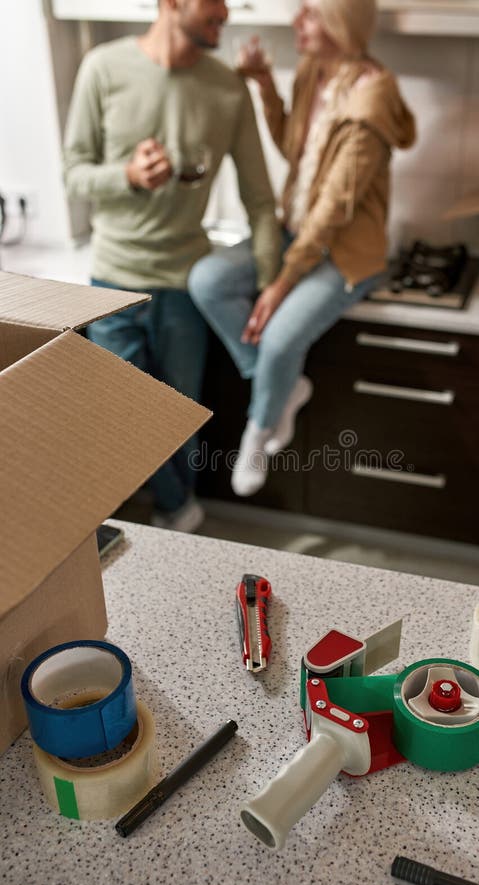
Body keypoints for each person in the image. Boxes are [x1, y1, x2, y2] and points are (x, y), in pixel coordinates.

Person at [63, 0, 281, 531]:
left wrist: (273, 281)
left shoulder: (228, 88)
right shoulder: (103, 67)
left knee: (180, 421)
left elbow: (260, 200)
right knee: (125, 419)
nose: (226, 11)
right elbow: (73, 173)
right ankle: (179, 510)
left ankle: (173, 514)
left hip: (186, 282)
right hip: (112, 281)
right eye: (214, 1)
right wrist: (128, 177)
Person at [188, 0, 416, 497]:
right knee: (206, 280)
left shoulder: (372, 97)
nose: (297, 22)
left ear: (342, 21)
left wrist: (281, 283)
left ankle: (260, 424)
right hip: (297, 230)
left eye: (310, 12)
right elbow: (295, 149)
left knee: (279, 337)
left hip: (345, 253)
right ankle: (281, 385)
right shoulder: (316, 71)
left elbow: (335, 207)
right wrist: (266, 85)